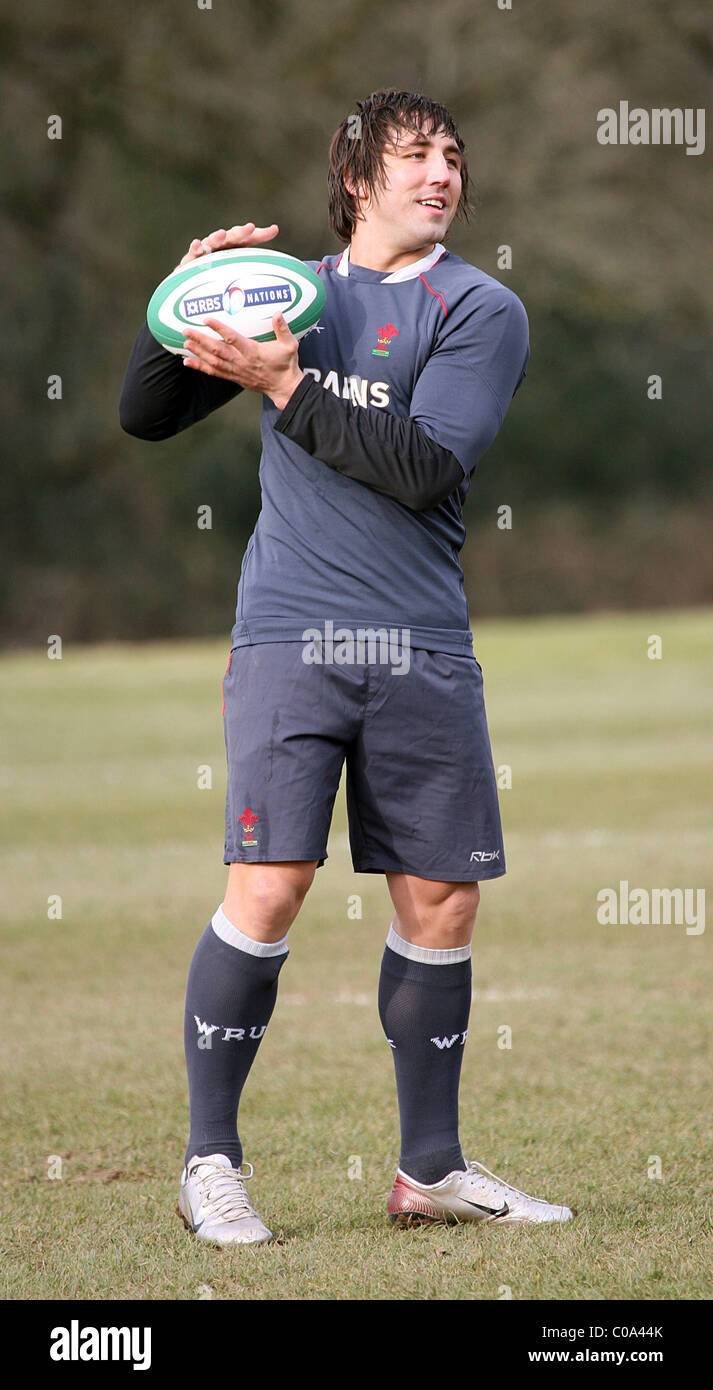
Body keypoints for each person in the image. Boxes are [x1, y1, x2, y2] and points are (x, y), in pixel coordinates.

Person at [119, 88, 575, 1245]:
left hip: (420, 639)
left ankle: (430, 1169)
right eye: (416, 155)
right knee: (267, 886)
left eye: (454, 158)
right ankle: (209, 1162)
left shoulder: (481, 308)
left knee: (440, 898)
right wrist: (178, 304)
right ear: (357, 177)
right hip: (291, 634)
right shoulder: (289, 301)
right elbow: (146, 412)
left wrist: (284, 384)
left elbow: (422, 465)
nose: (441, 175)